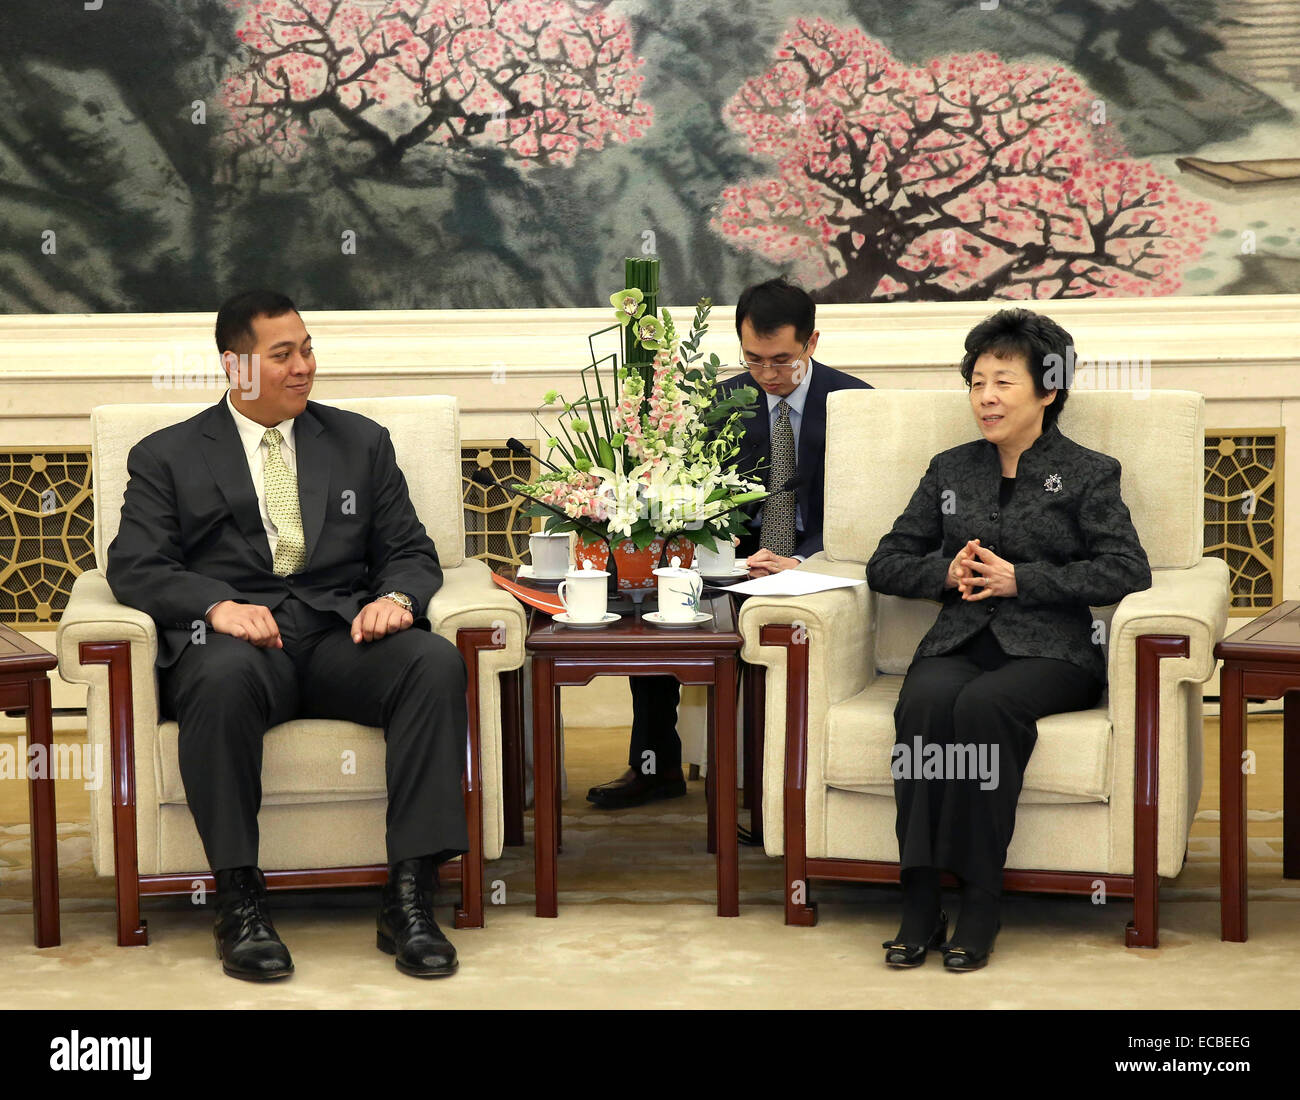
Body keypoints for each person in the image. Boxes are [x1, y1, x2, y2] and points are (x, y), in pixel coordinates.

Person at [106, 290, 467, 982]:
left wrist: (395, 598)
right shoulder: (168, 456)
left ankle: (411, 896)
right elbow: (136, 564)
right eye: (283, 355)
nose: (303, 366)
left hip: (339, 636)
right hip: (242, 646)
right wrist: (214, 604)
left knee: (431, 661)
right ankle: (240, 901)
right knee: (216, 676)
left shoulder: (361, 442)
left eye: (307, 349)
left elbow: (412, 553)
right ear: (236, 367)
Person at [866, 307, 1151, 971]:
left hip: (1052, 651)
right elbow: (886, 560)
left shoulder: (1087, 472)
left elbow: (1126, 569)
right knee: (922, 707)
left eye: (1002, 382)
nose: (985, 397)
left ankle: (981, 902)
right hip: (959, 640)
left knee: (984, 709)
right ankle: (919, 900)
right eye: (976, 382)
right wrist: (946, 571)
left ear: (1048, 389)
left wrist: (1024, 579)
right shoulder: (950, 469)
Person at [587, 278, 872, 808]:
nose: (767, 375)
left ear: (812, 343)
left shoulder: (854, 405)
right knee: (653, 610)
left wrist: (800, 561)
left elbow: (864, 515)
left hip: (818, 565)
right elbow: (688, 502)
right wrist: (733, 559)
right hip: (730, 562)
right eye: (754, 359)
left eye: (782, 360)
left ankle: (777, 783)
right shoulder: (718, 403)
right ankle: (655, 765)